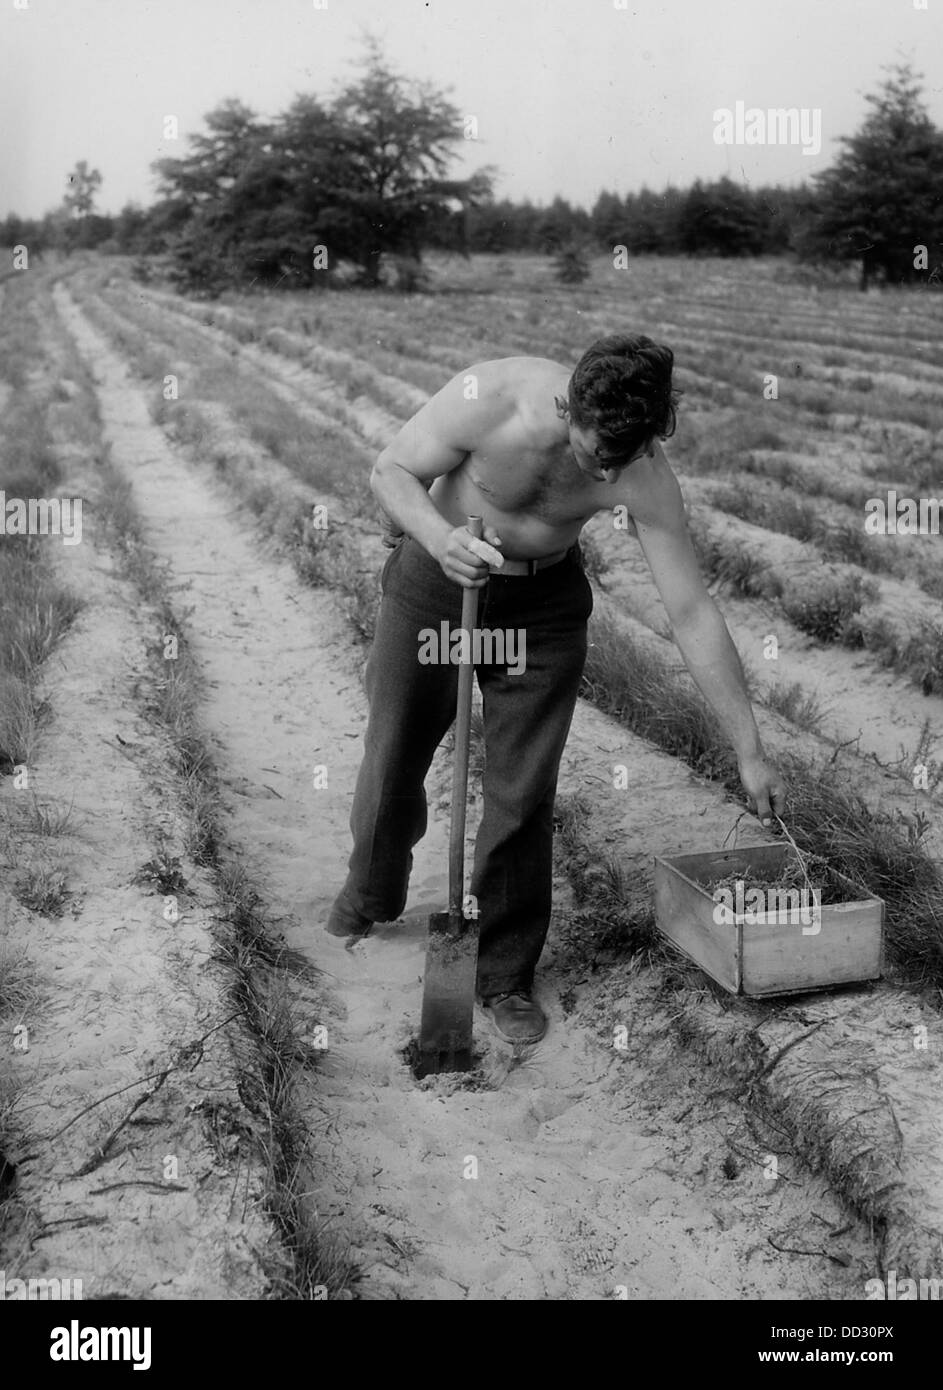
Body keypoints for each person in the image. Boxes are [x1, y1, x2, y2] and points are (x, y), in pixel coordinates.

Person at [326, 335, 784, 1044]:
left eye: (618, 458)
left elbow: (690, 611)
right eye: (593, 447)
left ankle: (502, 973)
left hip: (542, 614)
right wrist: (437, 538)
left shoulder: (642, 473)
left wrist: (748, 747)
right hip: (434, 590)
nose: (603, 468)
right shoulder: (492, 398)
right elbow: (391, 471)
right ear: (570, 401)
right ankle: (369, 894)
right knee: (392, 761)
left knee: (522, 793)